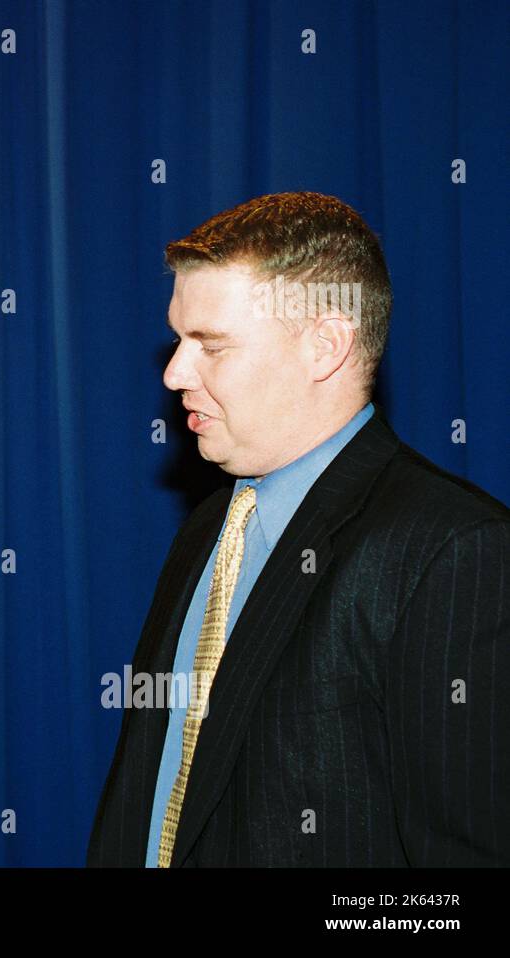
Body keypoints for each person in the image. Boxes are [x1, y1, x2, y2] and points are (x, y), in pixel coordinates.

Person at [88, 192, 509, 867]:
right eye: (178, 340)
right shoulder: (206, 531)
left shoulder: (453, 552)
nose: (174, 373)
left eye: (211, 346)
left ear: (325, 346)